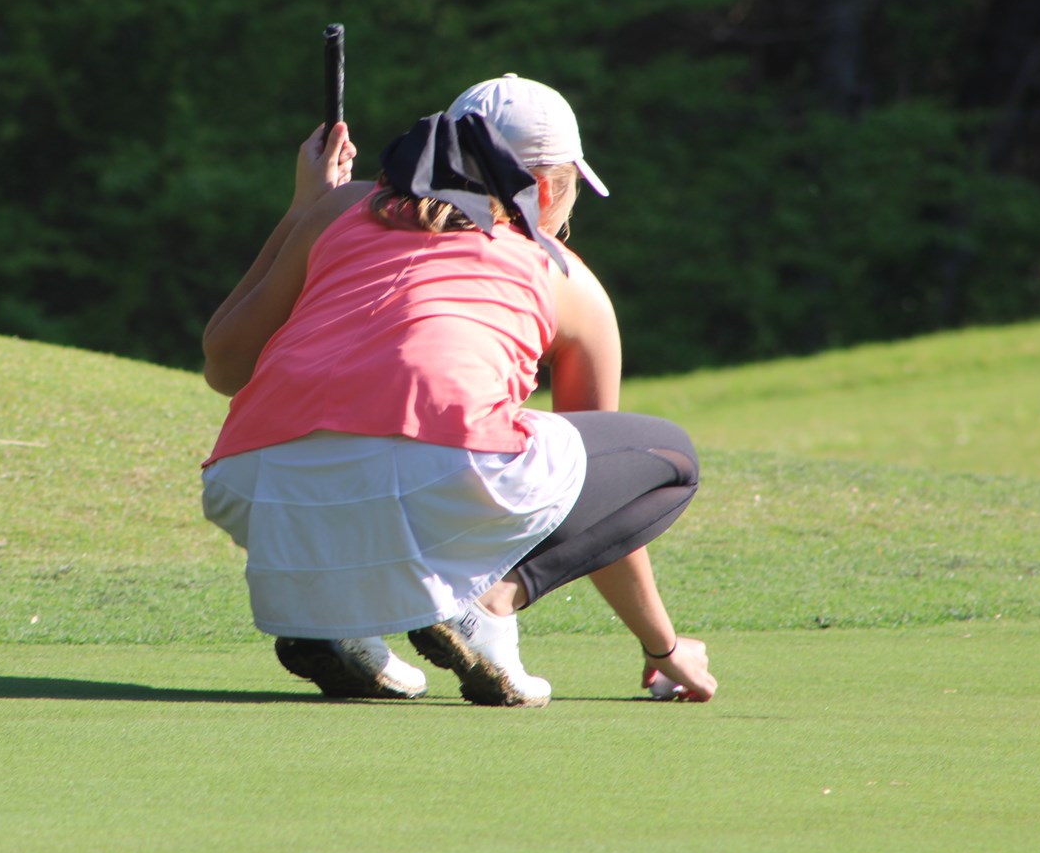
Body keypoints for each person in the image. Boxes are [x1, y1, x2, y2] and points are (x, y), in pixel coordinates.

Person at [200, 74, 716, 707]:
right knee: (669, 459)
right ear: (550, 187)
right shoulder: (565, 275)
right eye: (573, 188)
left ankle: (336, 625)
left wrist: (301, 212)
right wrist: (663, 647)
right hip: (439, 471)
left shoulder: (338, 208)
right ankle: (489, 606)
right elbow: (596, 504)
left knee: (378, 452)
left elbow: (225, 367)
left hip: (253, 484)